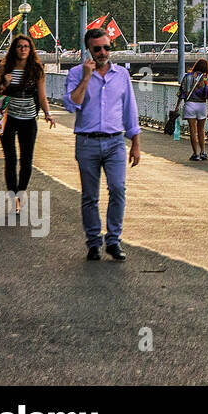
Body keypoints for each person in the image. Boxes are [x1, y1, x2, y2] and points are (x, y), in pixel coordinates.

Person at [63, 27, 141, 261]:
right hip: (87, 142)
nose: (103, 52)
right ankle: (94, 242)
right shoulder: (77, 73)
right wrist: (87, 77)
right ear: (89, 50)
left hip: (115, 141)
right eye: (97, 49)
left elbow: (130, 111)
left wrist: (135, 143)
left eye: (106, 47)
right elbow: (71, 104)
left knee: (118, 189)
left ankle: (114, 240)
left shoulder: (122, 75)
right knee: (90, 195)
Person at [0, 35, 58, 214]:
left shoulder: (36, 69)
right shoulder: (4, 68)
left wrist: (48, 114)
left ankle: (21, 193)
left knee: (27, 161)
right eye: (19, 46)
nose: (23, 49)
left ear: (30, 49)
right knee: (11, 160)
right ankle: (14, 200)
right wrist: (5, 82)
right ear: (14, 49)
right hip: (9, 119)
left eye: (26, 46)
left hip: (29, 120)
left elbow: (42, 96)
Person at [176, 59, 208, 161]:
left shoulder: (187, 76)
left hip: (190, 104)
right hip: (201, 105)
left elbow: (181, 93)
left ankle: (195, 154)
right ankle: (203, 152)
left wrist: (177, 106)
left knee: (192, 130)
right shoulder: (207, 80)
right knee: (201, 130)